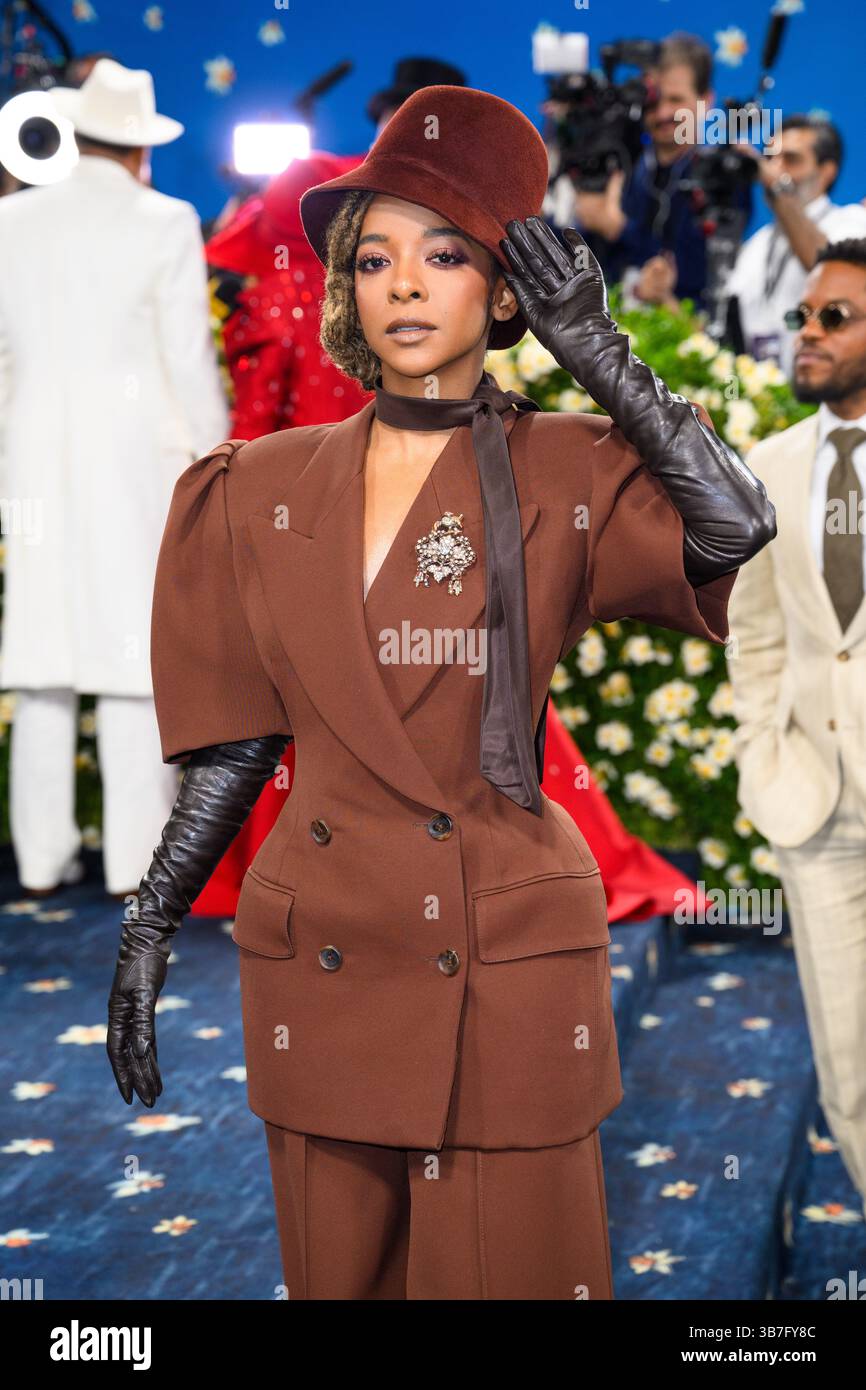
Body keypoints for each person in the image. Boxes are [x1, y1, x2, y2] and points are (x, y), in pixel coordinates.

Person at [107, 85, 775, 1300]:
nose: (403, 285)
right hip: (322, 953)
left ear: (507, 293)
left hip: (504, 953)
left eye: (445, 255)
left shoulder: (567, 463)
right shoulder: (253, 485)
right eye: (374, 259)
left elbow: (734, 523)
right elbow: (240, 739)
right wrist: (151, 917)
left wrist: (600, 356)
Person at [0, 58, 228, 898]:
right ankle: (135, 859)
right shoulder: (165, 220)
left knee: (42, 656)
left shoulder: (11, 220)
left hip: (32, 454)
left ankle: (40, 857)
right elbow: (187, 356)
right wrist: (213, 455)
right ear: (140, 149)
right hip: (137, 456)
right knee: (135, 657)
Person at [726, 237, 866, 1217]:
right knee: (847, 1066)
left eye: (834, 318)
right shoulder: (769, 465)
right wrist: (761, 756)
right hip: (816, 811)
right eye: (802, 316)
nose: (805, 332)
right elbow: (756, 636)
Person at [571, 32, 751, 313]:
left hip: (690, 329)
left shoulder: (721, 176)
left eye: (676, 100)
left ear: (706, 101)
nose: (663, 113)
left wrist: (619, 230)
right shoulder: (619, 168)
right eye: (653, 101)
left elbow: (696, 272)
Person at [726, 115, 866, 376]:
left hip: (826, 391)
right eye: (769, 158)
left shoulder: (853, 222)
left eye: (791, 160)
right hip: (759, 392)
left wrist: (779, 188)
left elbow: (827, 268)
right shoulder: (756, 244)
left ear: (826, 171)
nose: (775, 169)